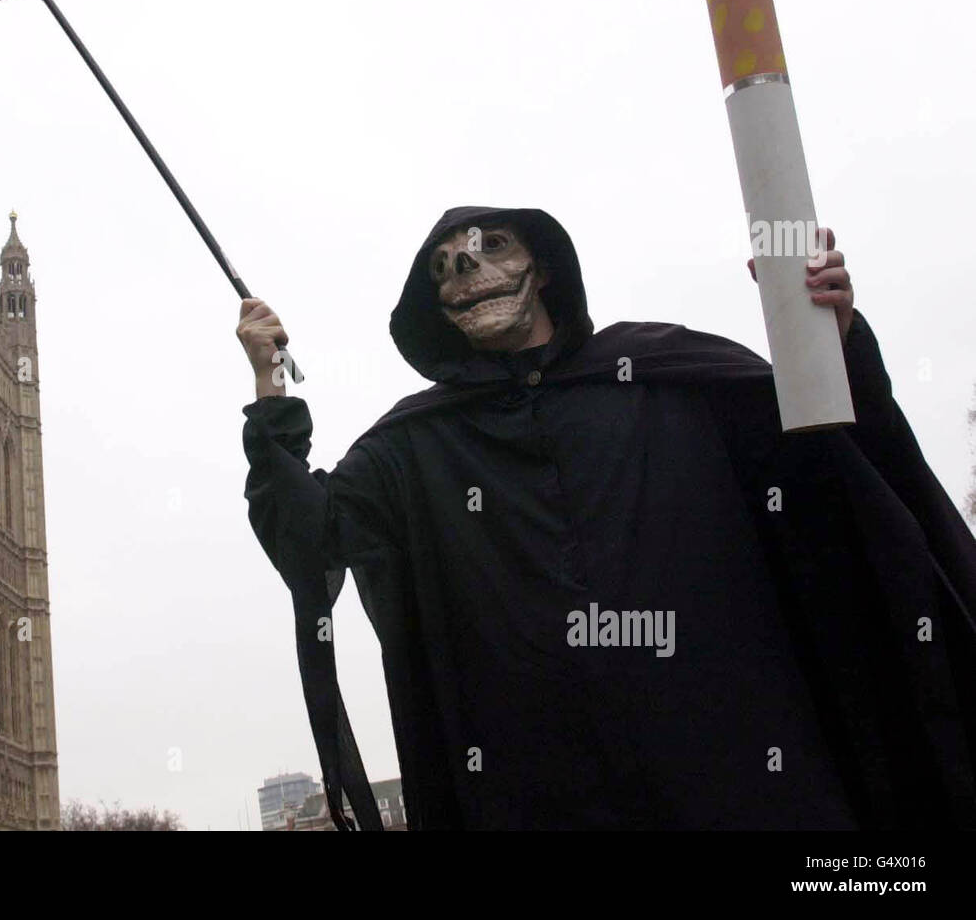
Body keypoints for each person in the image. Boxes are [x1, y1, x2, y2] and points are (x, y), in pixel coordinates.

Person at [237, 206, 976, 830]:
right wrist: (271, 386)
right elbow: (309, 540)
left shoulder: (670, 377)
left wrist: (831, 342)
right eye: (443, 267)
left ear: (543, 269)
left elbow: (837, 471)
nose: (464, 267)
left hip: (741, 785)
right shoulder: (411, 447)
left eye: (492, 246)